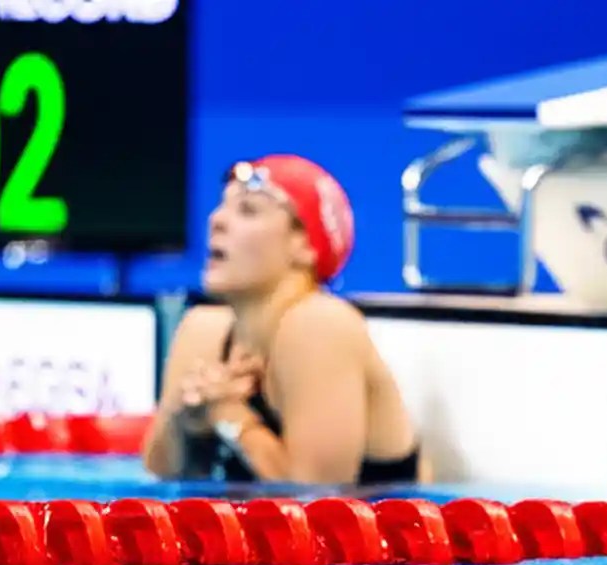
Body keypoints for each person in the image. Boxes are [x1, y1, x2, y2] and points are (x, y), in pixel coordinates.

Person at [141, 154, 429, 486]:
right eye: (222, 206)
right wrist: (184, 420)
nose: (217, 220)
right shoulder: (203, 330)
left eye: (248, 210)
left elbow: (316, 499)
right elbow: (157, 480)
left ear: (305, 246)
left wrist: (230, 416)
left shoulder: (321, 325)